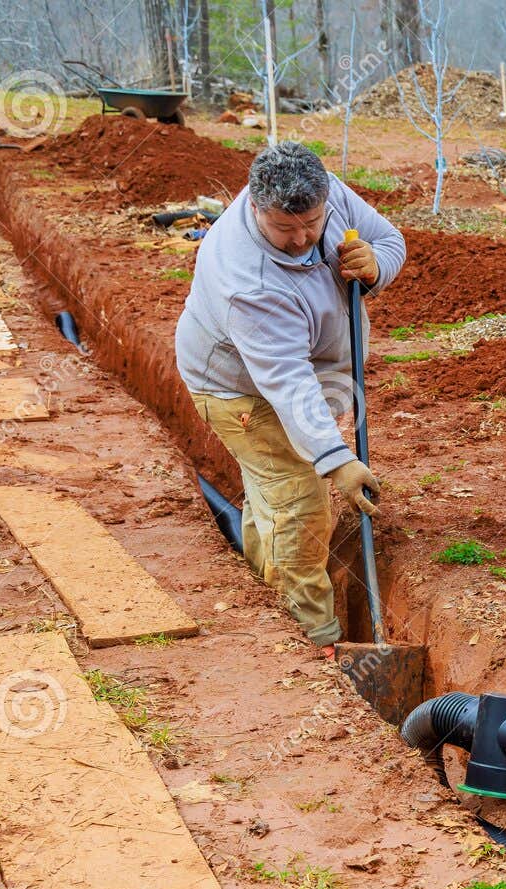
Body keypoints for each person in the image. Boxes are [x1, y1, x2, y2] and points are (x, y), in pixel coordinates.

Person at [176, 141, 406, 658]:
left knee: (276, 493)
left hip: (300, 375)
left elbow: (390, 240)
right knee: (301, 507)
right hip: (239, 392)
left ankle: (265, 585)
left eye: (313, 224)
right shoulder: (249, 283)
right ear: (255, 205)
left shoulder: (326, 193)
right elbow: (287, 382)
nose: (302, 239)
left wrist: (375, 266)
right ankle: (312, 645)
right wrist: (336, 460)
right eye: (285, 229)